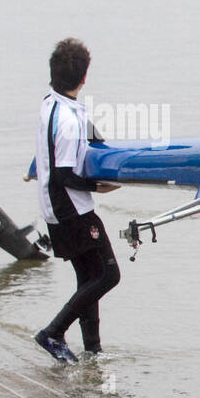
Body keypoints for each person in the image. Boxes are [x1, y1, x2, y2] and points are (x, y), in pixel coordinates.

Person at [33, 38, 120, 363]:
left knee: (88, 277)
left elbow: (56, 149)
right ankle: (53, 333)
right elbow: (65, 175)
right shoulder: (69, 122)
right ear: (84, 78)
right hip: (73, 211)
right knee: (108, 275)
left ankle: (93, 351)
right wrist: (101, 187)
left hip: (53, 209)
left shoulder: (50, 104)